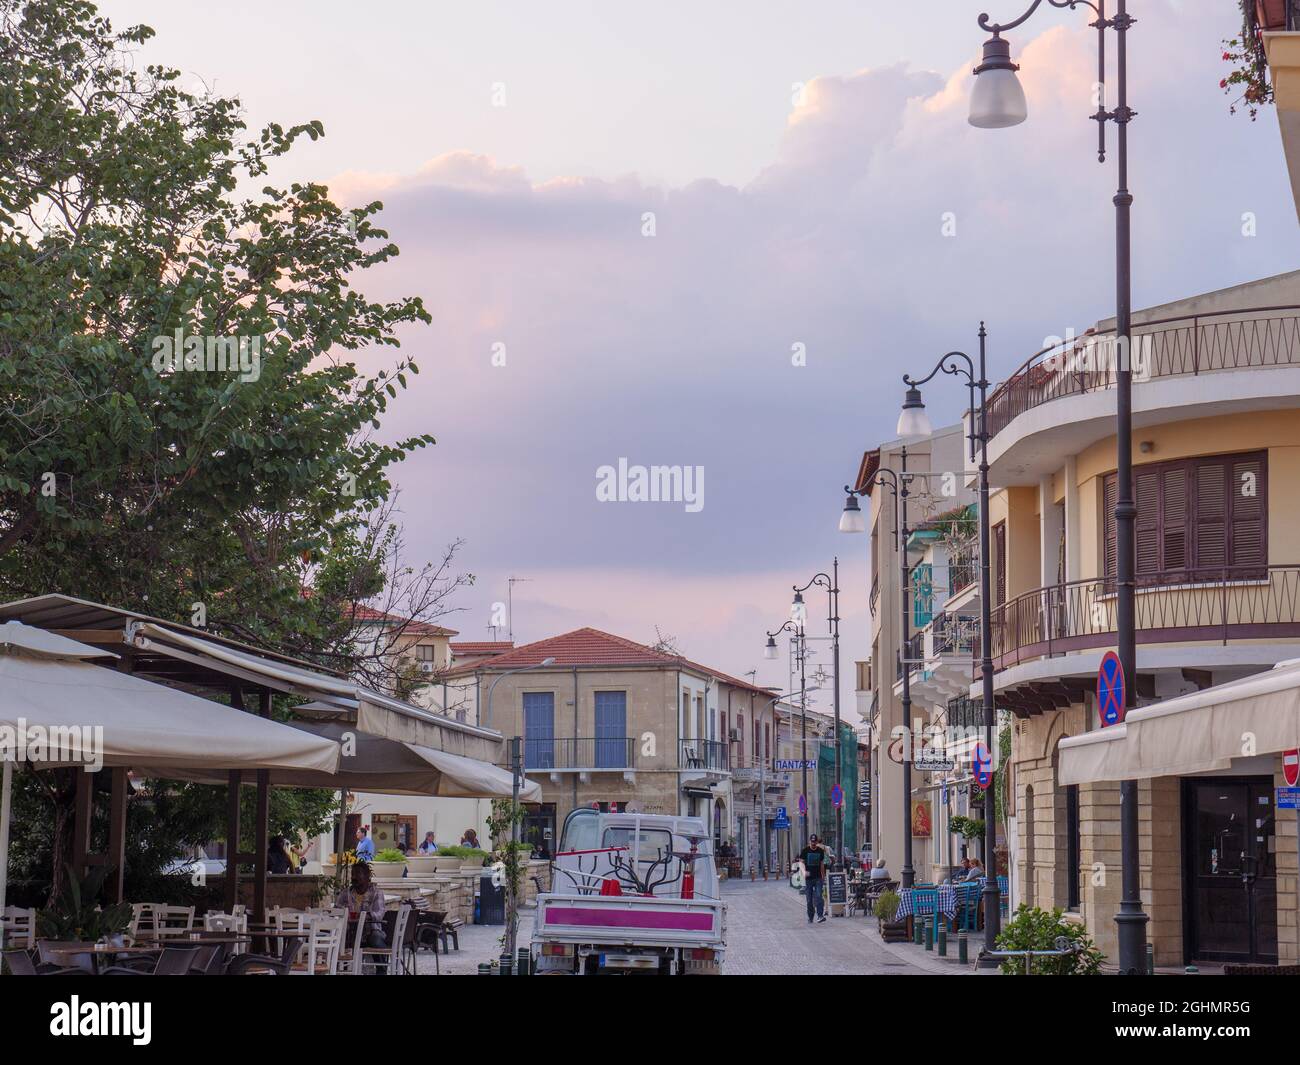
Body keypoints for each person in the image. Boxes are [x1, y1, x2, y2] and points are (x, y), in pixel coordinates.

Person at [336, 862, 388, 950]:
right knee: (337, 938)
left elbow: (379, 913)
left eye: (358, 874)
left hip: (371, 930)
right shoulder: (346, 893)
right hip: (349, 930)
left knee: (375, 940)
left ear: (367, 876)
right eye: (352, 874)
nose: (353, 877)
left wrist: (367, 915)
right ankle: (341, 963)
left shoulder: (376, 893)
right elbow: (336, 910)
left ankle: (382, 962)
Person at [797, 834, 830, 923]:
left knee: (819, 896)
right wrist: (803, 872)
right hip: (808, 879)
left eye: (814, 842)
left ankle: (820, 915)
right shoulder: (805, 851)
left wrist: (823, 876)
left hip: (818, 877)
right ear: (809, 842)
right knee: (809, 899)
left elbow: (822, 864)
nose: (813, 844)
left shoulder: (820, 851)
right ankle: (810, 916)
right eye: (812, 842)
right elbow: (801, 863)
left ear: (816, 842)